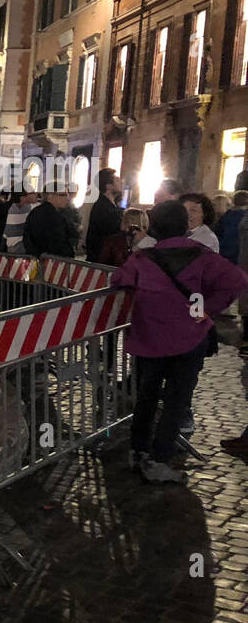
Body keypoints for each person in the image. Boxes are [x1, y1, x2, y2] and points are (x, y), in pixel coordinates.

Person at [110, 200, 247, 484]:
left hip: (149, 340)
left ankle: (138, 451)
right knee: (176, 401)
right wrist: (205, 309)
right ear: (185, 226)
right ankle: (159, 459)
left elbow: (118, 281)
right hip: (188, 339)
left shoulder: (142, 259)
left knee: (146, 397)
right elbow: (236, 280)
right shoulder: (204, 257)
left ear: (153, 228)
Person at [23, 187, 75, 258]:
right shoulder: (55, 217)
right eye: (64, 195)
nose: (68, 198)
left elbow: (26, 238)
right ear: (51, 195)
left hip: (35, 260)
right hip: (55, 262)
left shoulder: (34, 212)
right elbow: (60, 243)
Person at [85, 169, 123, 262]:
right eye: (117, 179)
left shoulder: (113, 205)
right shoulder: (102, 207)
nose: (121, 182)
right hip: (102, 260)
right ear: (108, 186)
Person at [216, 189, 248, 265]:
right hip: (240, 253)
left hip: (224, 252)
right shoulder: (245, 216)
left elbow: (218, 233)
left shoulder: (226, 215)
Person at [3, 189, 39, 256]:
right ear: (23, 198)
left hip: (13, 248)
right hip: (20, 250)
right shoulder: (23, 209)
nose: (36, 194)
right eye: (32, 192)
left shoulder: (11, 208)